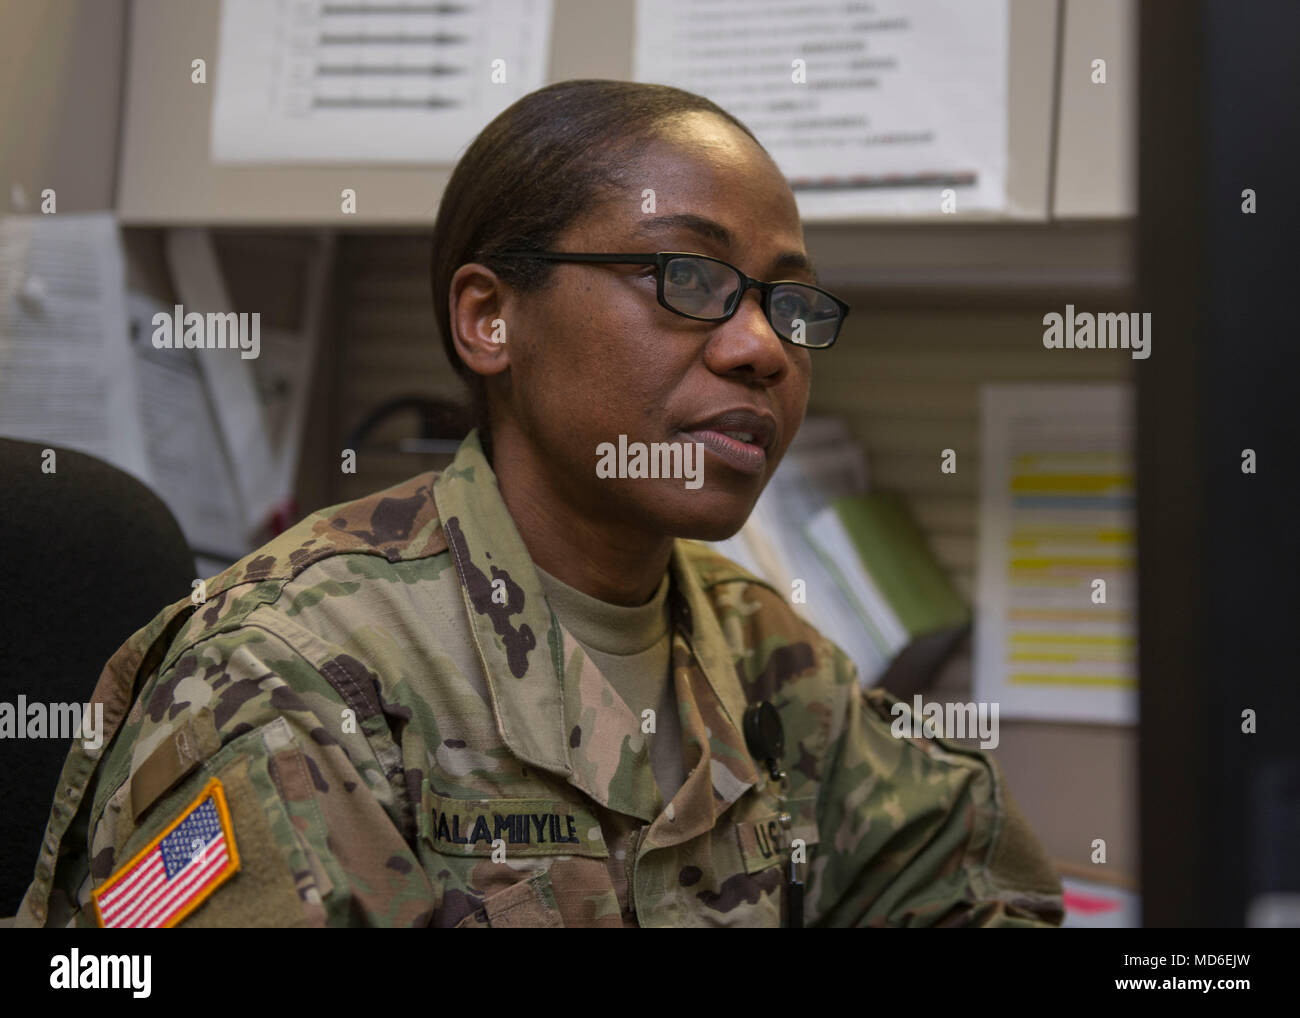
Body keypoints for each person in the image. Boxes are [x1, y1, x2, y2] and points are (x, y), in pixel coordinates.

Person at [16, 79, 1064, 928]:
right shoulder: (286, 674)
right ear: (489, 320)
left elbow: (977, 894)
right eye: (688, 278)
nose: (761, 347)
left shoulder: (759, 647)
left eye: (784, 301)